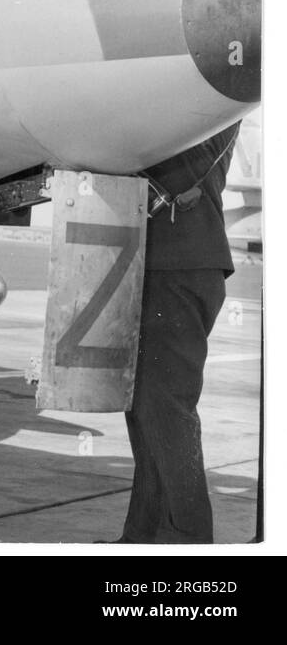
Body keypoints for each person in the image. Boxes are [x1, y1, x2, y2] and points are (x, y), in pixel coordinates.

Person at [113, 123, 241, 543]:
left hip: (180, 265)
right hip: (166, 263)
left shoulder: (193, 114)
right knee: (146, 410)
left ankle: (189, 538)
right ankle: (142, 536)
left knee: (165, 409)